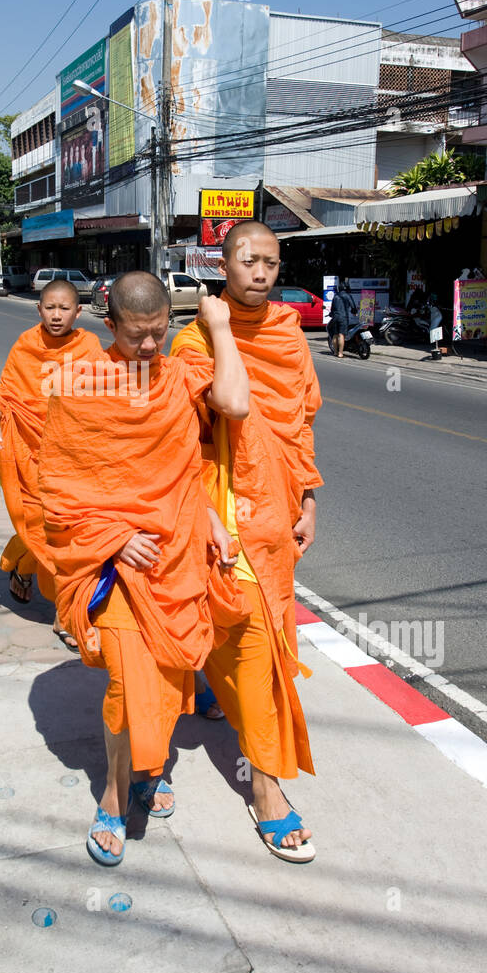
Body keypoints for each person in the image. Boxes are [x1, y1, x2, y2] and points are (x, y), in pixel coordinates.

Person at [38, 272, 250, 865]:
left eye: (160, 333)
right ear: (109, 326)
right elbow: (60, 487)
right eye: (137, 337)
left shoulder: (179, 377)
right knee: (127, 684)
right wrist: (113, 536)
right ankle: (112, 791)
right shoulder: (82, 386)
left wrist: (218, 325)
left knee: (163, 679)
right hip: (118, 565)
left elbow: (230, 408)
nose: (151, 348)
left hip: (175, 555)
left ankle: (149, 766)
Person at [172, 222, 322, 862]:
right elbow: (230, 406)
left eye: (270, 262)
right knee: (254, 649)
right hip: (219, 515)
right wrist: (223, 329)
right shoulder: (194, 337)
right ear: (222, 265)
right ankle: (266, 790)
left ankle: (211, 691)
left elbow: (300, 424)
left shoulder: (289, 334)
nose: (260, 273)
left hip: (277, 520)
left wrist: (310, 497)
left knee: (259, 640)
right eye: (247, 261)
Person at [0, 279, 105, 649]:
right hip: (31, 454)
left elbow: (99, 400)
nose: (57, 315)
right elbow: (7, 390)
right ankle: (67, 615)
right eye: (50, 307)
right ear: (39, 308)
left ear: (78, 313)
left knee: (70, 533)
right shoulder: (27, 345)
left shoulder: (89, 346)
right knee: (42, 528)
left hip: (76, 457)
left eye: (65, 308)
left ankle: (25, 567)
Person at [328, 281, 350, 357]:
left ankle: (335, 352)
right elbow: (353, 307)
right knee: (341, 335)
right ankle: (340, 353)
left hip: (335, 317)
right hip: (343, 318)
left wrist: (331, 314)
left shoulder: (335, 297)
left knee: (335, 335)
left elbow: (332, 309)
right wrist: (355, 312)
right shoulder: (348, 296)